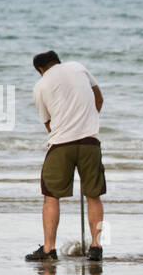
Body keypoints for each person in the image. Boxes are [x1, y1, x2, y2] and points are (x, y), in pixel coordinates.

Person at [25, 50, 107, 262]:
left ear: (40, 69)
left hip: (61, 144)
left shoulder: (41, 86)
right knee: (93, 194)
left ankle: (49, 250)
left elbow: (47, 123)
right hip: (90, 141)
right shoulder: (79, 67)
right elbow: (99, 98)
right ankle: (96, 247)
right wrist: (87, 121)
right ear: (57, 61)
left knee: (51, 196)